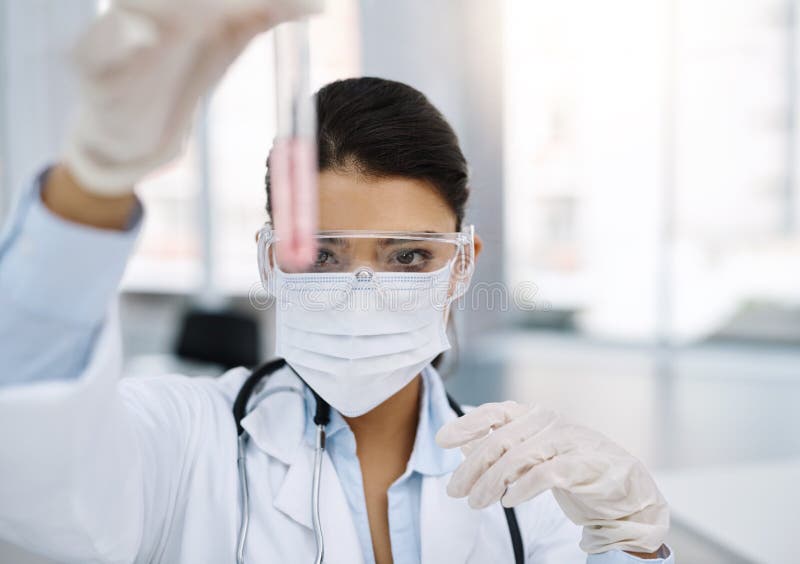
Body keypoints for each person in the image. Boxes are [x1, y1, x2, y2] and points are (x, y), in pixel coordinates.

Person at [0, 1, 673, 563]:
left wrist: (631, 540)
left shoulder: (530, 489)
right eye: (322, 256)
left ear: (463, 264)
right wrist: (92, 182)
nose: (361, 292)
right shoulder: (186, 442)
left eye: (408, 256)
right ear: (270, 263)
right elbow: (38, 483)